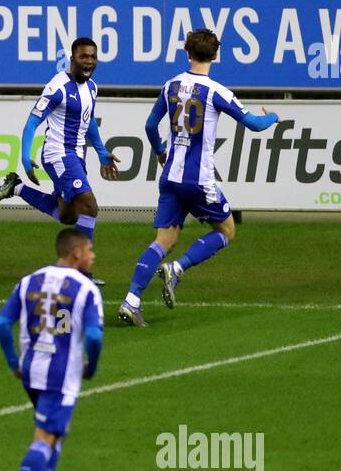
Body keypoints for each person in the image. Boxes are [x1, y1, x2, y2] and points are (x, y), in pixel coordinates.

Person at [119, 28, 279, 327]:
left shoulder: (171, 85)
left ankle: (131, 300)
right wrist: (274, 117)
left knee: (164, 239)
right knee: (227, 230)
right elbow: (255, 125)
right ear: (216, 54)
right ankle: (176, 269)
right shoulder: (217, 91)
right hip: (198, 180)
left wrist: (159, 151)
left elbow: (150, 125)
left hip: (170, 177)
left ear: (187, 52)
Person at [0, 228, 104, 471]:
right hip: (60, 375)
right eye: (91, 250)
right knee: (45, 437)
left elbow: (2, 324)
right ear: (76, 253)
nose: (93, 256)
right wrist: (92, 367)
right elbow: (94, 337)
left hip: (31, 372)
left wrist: (14, 362)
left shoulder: (29, 280)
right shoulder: (86, 288)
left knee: (55, 434)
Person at [0, 38, 120, 249]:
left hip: (76, 156)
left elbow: (89, 120)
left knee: (68, 215)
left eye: (93, 57)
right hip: (58, 154)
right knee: (89, 207)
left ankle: (17, 188)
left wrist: (102, 152)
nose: (89, 61)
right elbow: (31, 123)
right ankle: (81, 272)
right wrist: (24, 157)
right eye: (83, 56)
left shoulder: (92, 88)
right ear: (72, 59)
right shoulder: (57, 88)